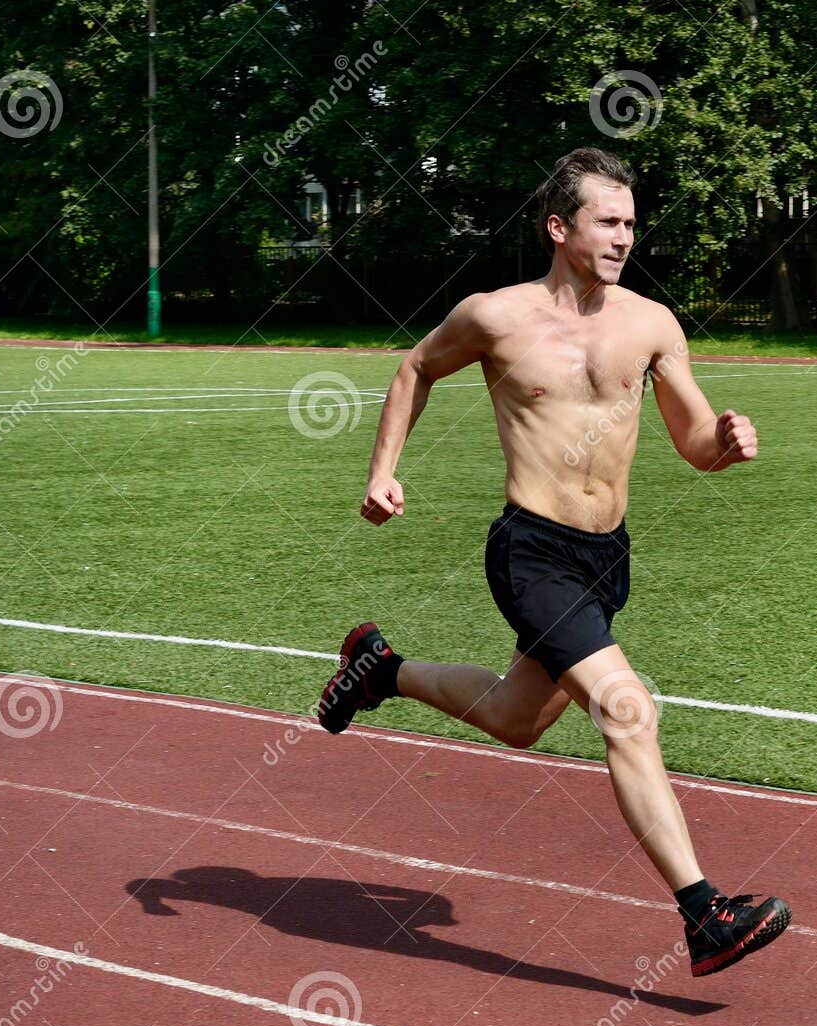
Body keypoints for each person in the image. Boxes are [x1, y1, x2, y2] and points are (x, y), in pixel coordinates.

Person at [315, 147, 789, 978]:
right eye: (608, 221)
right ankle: (704, 914)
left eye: (632, 223)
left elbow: (692, 442)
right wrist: (382, 472)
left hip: (605, 556)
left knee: (516, 719)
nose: (624, 237)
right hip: (531, 551)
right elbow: (414, 367)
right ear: (559, 226)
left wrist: (725, 444)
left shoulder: (650, 323)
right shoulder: (495, 317)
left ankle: (380, 669)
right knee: (628, 712)